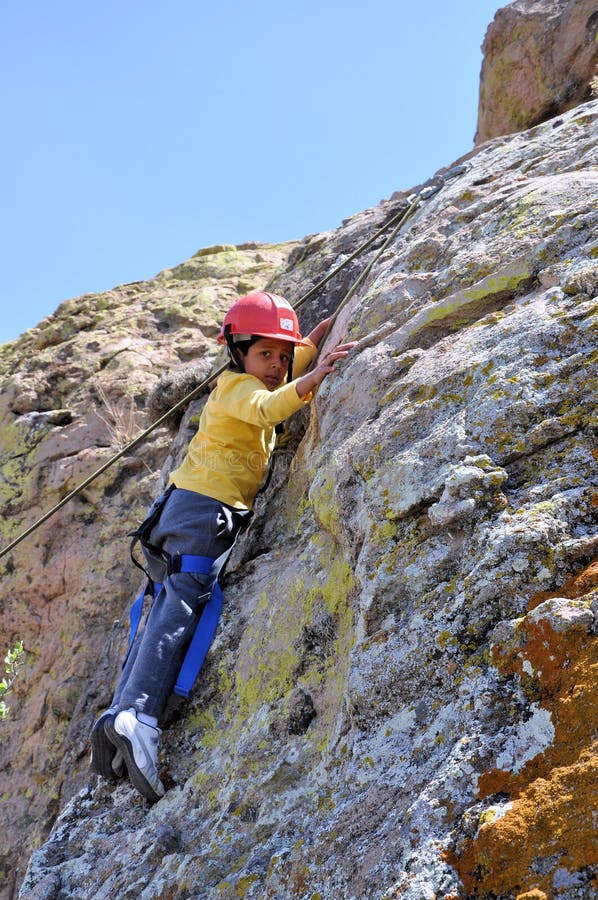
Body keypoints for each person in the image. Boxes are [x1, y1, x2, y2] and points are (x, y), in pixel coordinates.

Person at [89, 290, 355, 802]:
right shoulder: (236, 387)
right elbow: (267, 405)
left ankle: (121, 711)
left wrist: (308, 347)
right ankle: (141, 715)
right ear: (237, 354)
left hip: (181, 510)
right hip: (203, 511)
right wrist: (311, 380)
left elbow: (276, 375)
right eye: (265, 355)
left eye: (283, 355)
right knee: (182, 604)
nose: (276, 364)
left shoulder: (252, 374)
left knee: (165, 607)